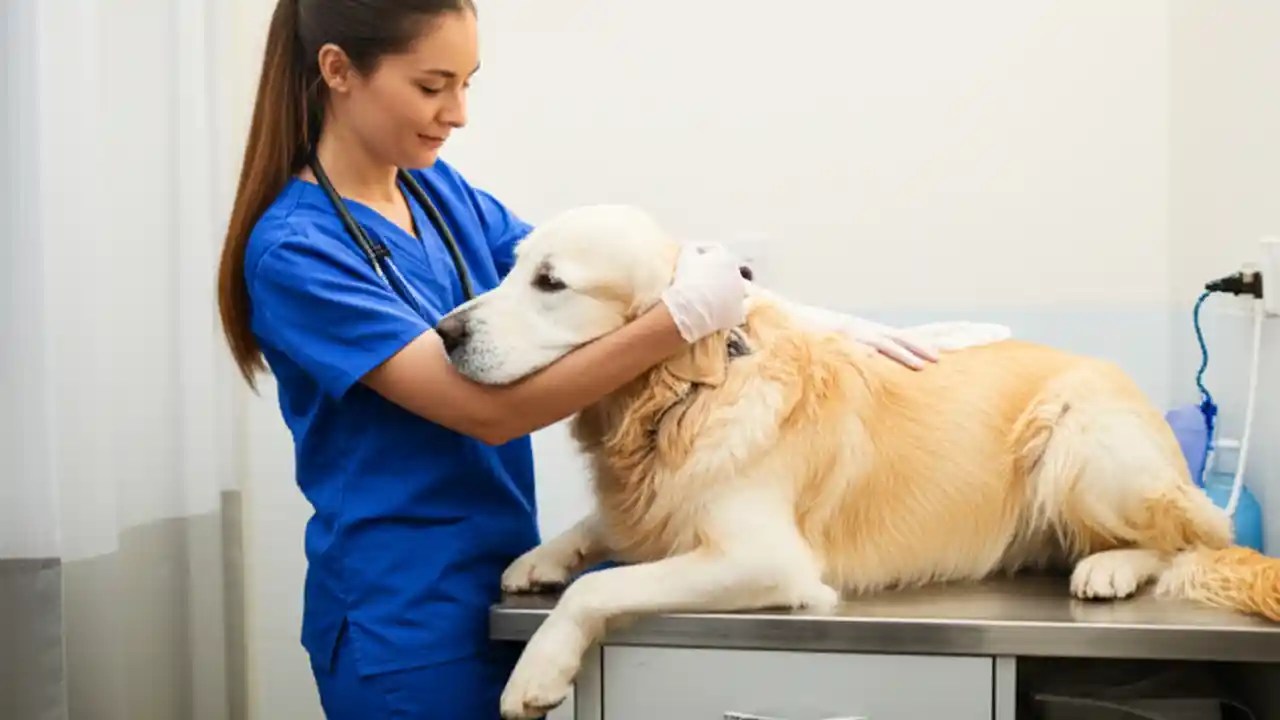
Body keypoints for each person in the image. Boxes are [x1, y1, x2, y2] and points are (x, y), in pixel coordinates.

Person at [215, 1, 937, 717]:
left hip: (499, 586)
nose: (458, 113)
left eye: (469, 83)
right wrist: (680, 317)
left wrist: (788, 311)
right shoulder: (299, 252)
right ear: (338, 70)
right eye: (432, 87)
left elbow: (594, 271)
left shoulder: (435, 192)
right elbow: (487, 412)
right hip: (402, 622)